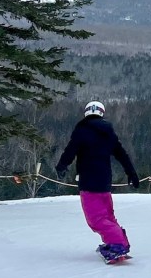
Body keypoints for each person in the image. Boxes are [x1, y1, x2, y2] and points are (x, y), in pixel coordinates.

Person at [56, 100, 141, 262]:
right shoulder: (108, 132)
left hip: (88, 180)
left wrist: (62, 166)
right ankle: (118, 242)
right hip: (104, 181)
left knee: (96, 219)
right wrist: (132, 173)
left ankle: (117, 245)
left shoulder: (82, 130)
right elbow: (121, 154)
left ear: (86, 112)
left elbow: (70, 150)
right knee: (108, 215)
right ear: (102, 112)